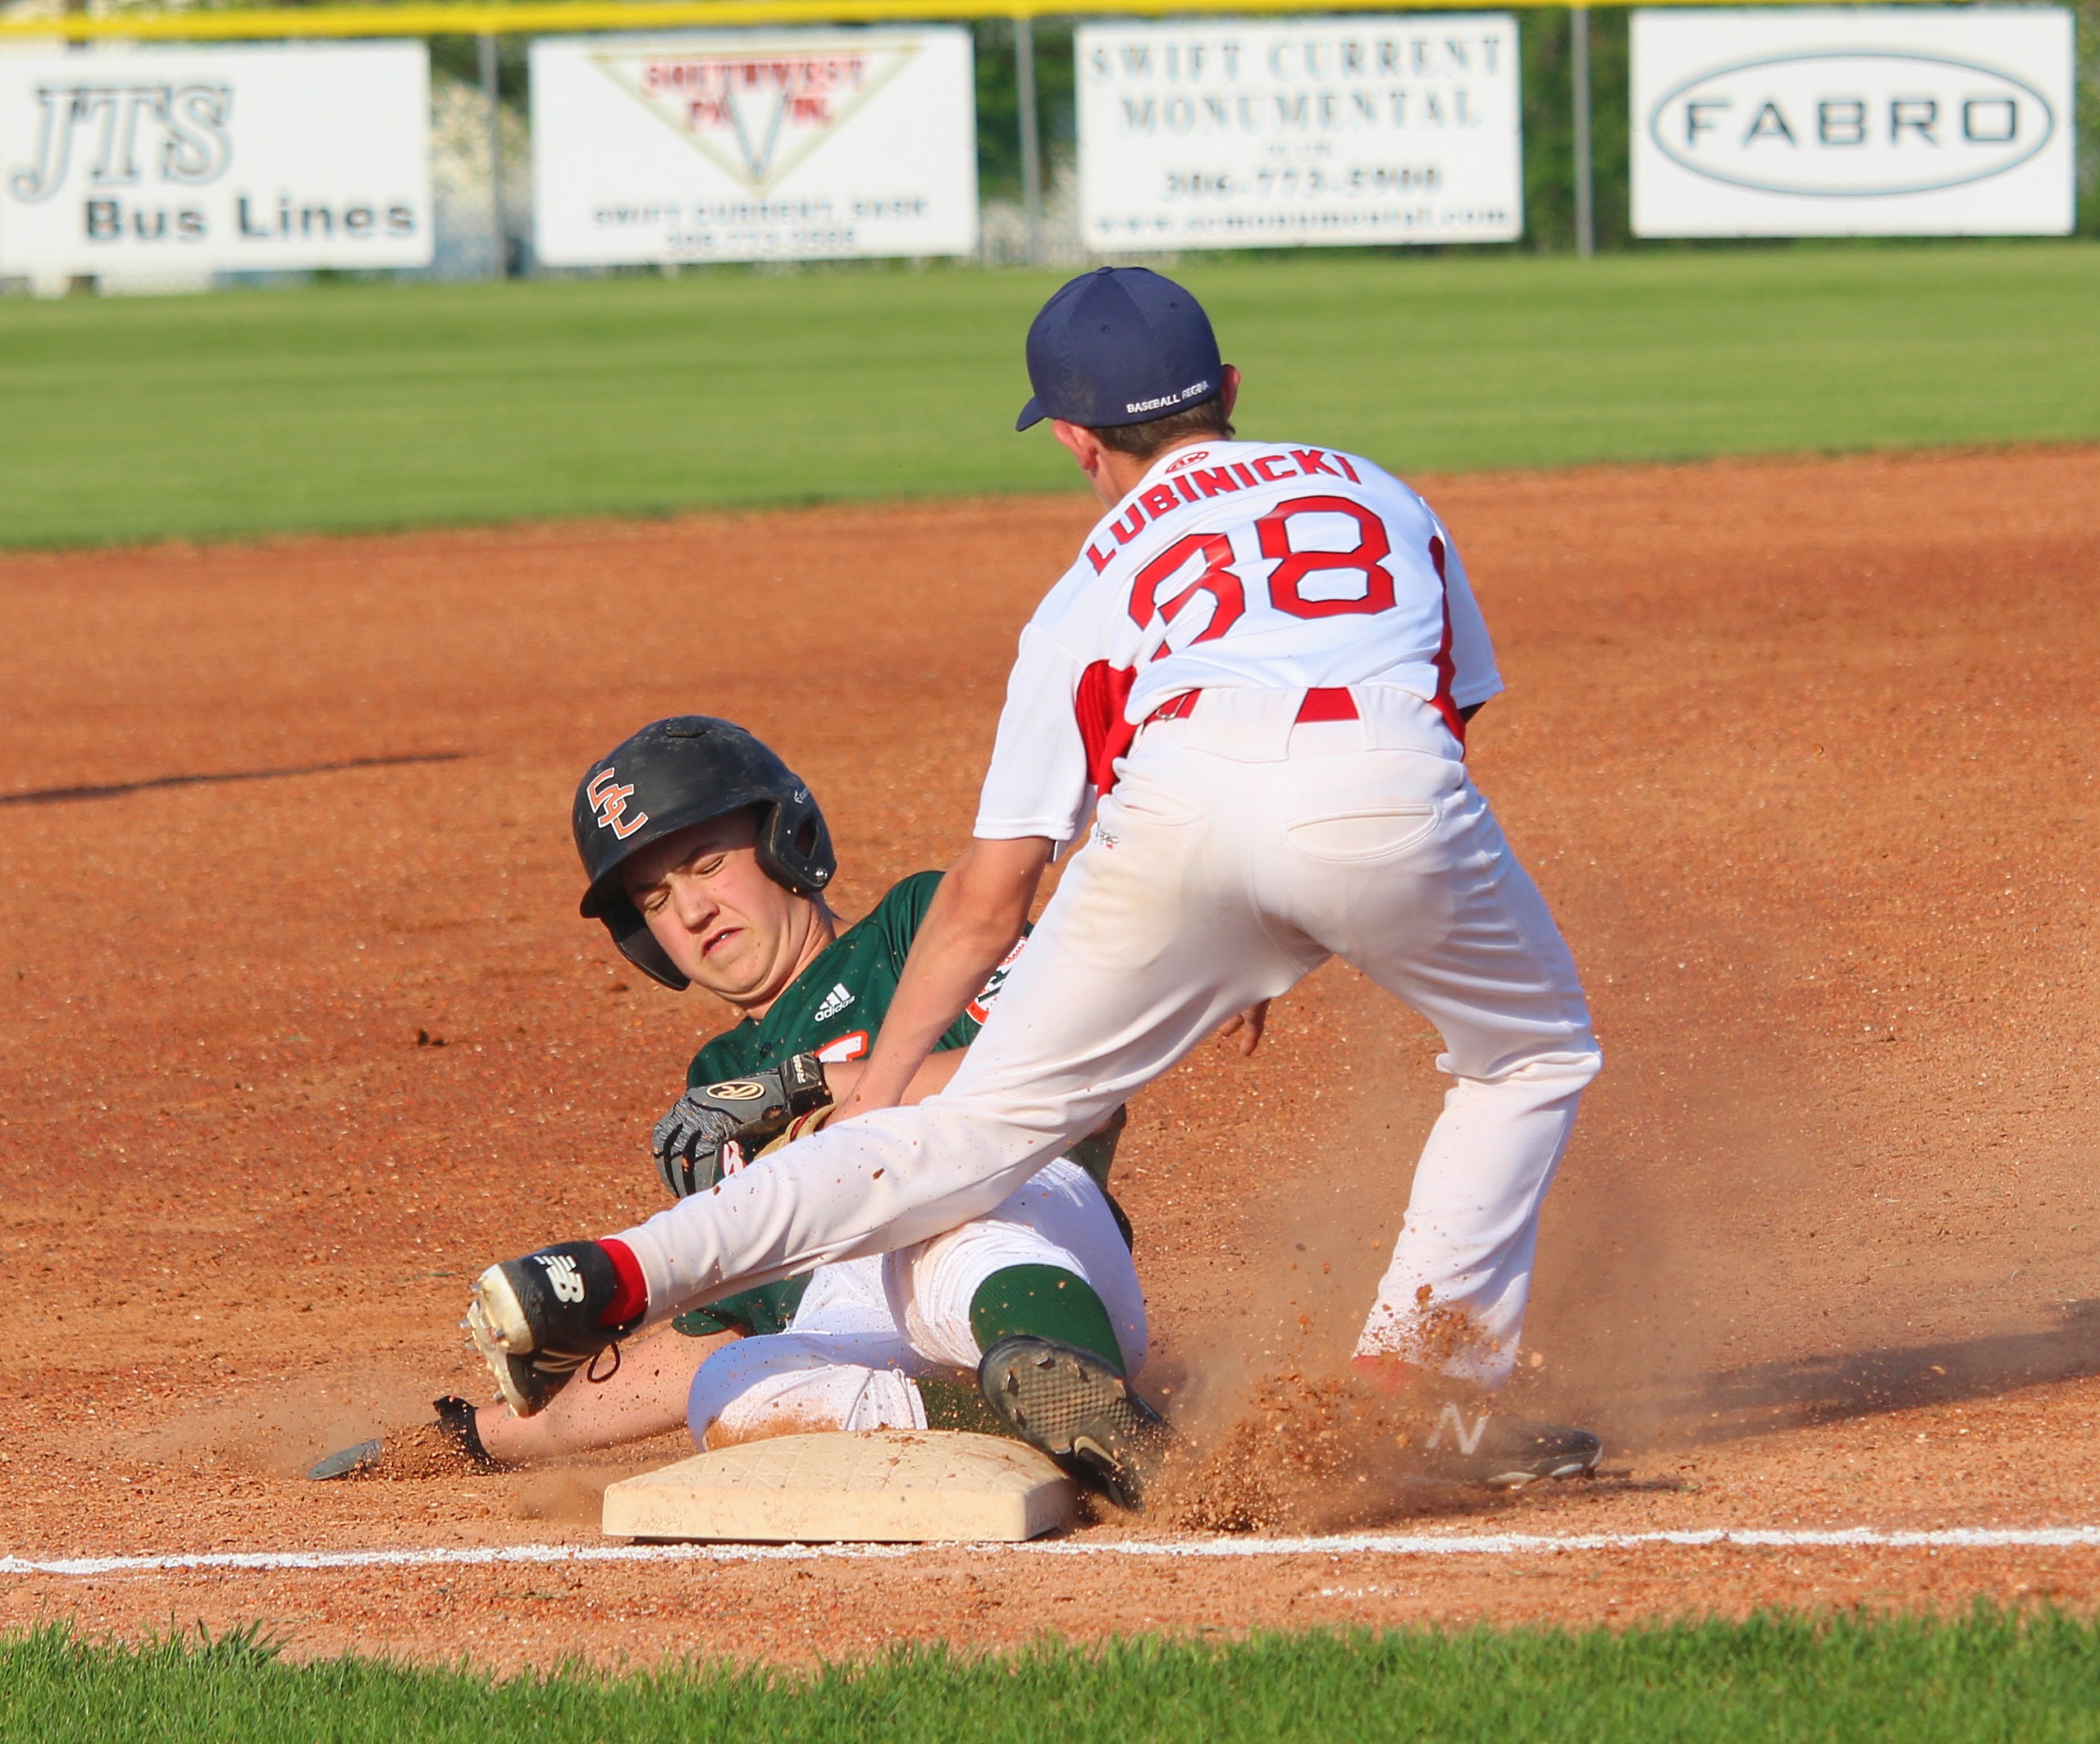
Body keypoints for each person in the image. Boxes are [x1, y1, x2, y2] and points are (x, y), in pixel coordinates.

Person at [462, 268, 1607, 1490]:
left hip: (1175, 811)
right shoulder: (1383, 494)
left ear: (1073, 439)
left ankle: (614, 1273)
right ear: (1227, 392)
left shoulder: (1098, 576)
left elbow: (991, 896)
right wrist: (1301, 909)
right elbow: (1442, 704)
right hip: (1392, 784)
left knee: (962, 1134)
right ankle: (1422, 1390)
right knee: (1528, 1055)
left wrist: (874, 1084)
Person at [323, 717, 1167, 1507]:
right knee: (732, 1388)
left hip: (1029, 1243)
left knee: (934, 1218)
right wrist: (478, 1436)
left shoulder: (917, 929)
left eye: (703, 863)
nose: (690, 911)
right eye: (654, 899)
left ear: (783, 839)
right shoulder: (717, 1084)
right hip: (878, 1315)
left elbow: (1059, 1079)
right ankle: (1050, 1436)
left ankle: (1093, 1396)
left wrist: (810, 1084)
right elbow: (709, 1336)